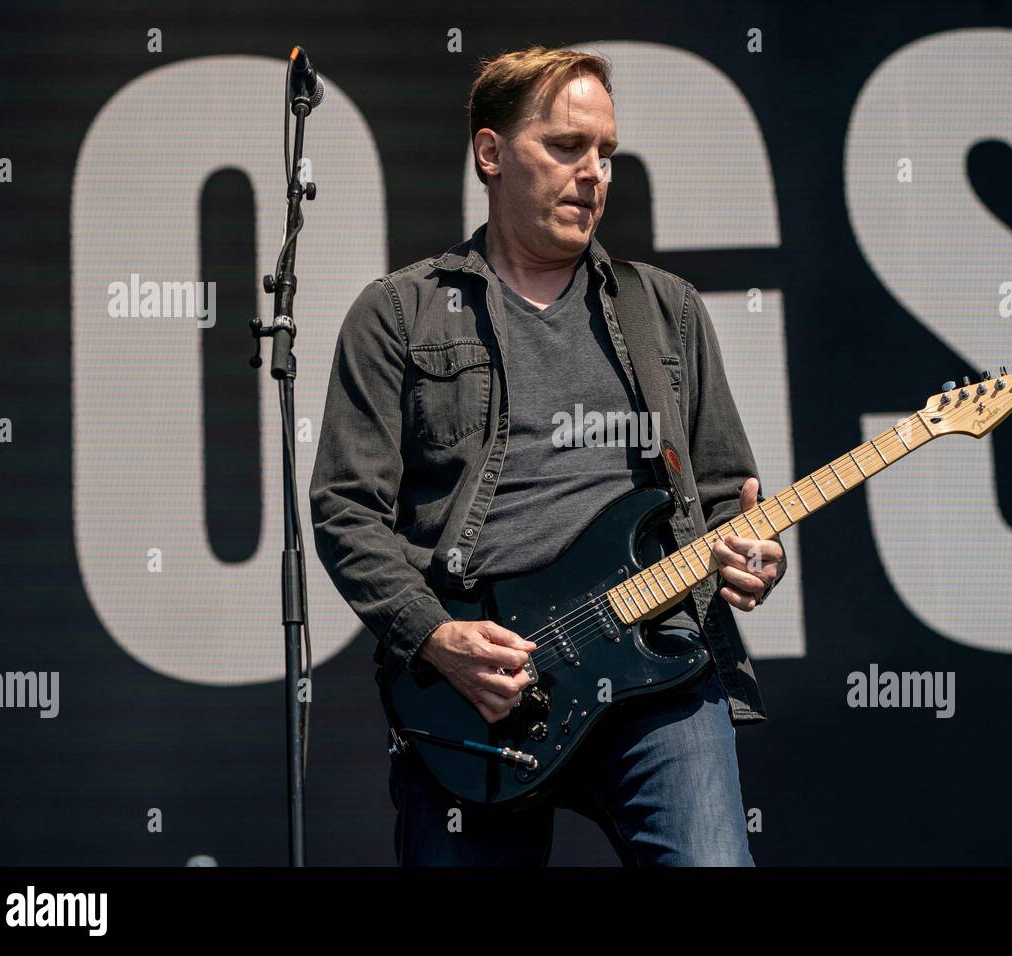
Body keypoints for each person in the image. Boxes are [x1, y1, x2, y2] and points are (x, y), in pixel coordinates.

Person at [309, 45, 785, 866]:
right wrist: (435, 637)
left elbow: (719, 498)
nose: (594, 172)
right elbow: (346, 509)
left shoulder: (664, 310)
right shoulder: (399, 314)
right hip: (474, 689)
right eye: (567, 147)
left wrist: (749, 555)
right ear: (490, 154)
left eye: (606, 152)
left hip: (658, 669)